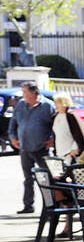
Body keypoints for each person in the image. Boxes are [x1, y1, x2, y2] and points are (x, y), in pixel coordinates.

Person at [9, 81, 56, 213]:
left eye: (25, 92)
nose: (22, 94)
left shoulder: (47, 106)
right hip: (24, 147)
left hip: (42, 148)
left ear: (33, 92)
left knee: (47, 178)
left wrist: (53, 139)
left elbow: (55, 125)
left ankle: (50, 206)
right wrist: (12, 136)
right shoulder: (21, 105)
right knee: (28, 179)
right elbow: (13, 122)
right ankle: (28, 205)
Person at [52, 93, 84, 164]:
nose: (55, 105)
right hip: (59, 151)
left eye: (57, 103)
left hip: (70, 153)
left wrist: (74, 149)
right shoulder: (56, 116)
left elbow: (79, 134)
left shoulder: (71, 116)